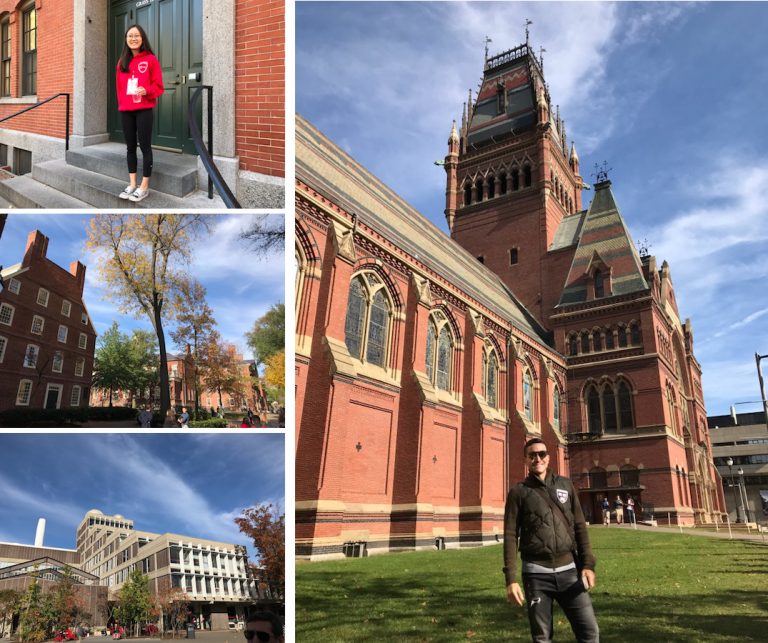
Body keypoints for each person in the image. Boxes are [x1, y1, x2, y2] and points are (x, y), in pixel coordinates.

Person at [504, 437, 599, 642]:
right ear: (525, 460)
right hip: (536, 576)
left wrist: (588, 564)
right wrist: (510, 579)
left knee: (590, 633)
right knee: (542, 638)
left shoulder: (565, 485)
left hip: (570, 573)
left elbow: (580, 526)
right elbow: (511, 536)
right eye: (532, 455)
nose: (537, 458)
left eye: (541, 454)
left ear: (549, 457)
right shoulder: (518, 492)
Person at [115, 24, 164, 203]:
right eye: (130, 36)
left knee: (145, 147)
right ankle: (132, 184)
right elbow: (119, 89)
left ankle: (144, 186)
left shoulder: (150, 60)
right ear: (126, 40)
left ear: (142, 39)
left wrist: (147, 91)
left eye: (136, 36)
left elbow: (159, 87)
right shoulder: (122, 63)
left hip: (144, 110)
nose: (133, 38)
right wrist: (122, 105)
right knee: (129, 147)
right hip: (126, 111)